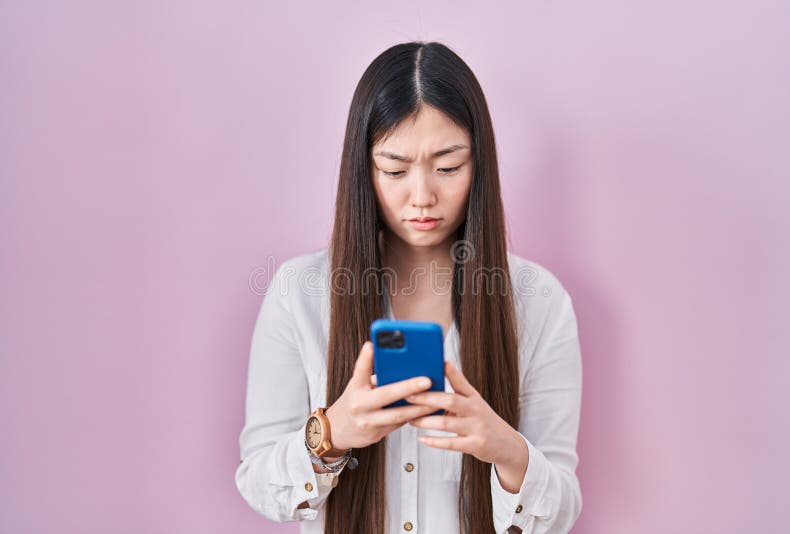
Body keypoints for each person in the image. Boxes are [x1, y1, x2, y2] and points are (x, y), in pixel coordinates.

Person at [235, 41, 583, 534]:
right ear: (364, 168)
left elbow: (563, 506)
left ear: (479, 163)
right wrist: (333, 433)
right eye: (395, 170)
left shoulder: (538, 301)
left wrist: (501, 445)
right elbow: (258, 482)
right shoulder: (299, 293)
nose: (422, 196)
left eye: (448, 167)